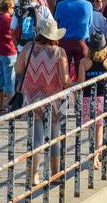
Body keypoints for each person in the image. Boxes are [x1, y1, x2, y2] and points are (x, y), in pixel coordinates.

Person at [15, 17, 70, 186]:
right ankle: (55, 174)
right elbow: (64, 78)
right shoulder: (59, 52)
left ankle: (33, 176)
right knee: (55, 137)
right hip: (54, 99)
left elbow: (17, 68)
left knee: (36, 139)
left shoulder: (29, 47)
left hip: (32, 98)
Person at [54, 0, 93, 77]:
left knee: (64, 72)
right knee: (82, 72)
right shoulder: (88, 4)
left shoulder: (61, 5)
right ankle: (82, 92)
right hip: (82, 42)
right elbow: (89, 23)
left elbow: (57, 23)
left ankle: (65, 91)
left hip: (65, 41)